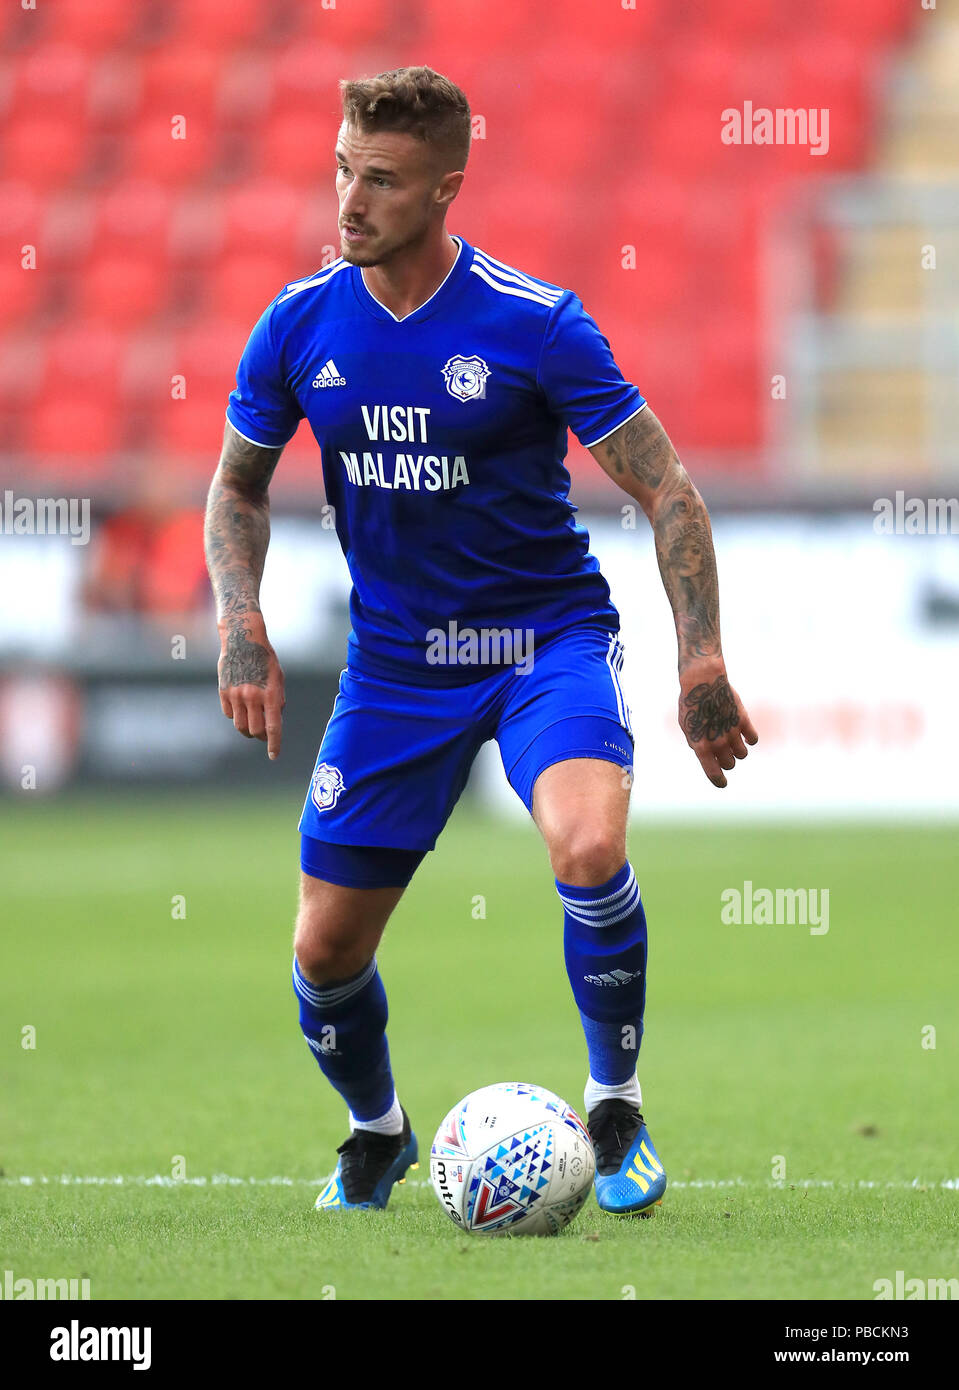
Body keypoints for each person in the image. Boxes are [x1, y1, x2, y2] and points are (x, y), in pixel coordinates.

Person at [204, 66, 757, 1218]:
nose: (350, 200)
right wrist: (238, 617)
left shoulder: (534, 324)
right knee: (321, 956)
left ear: (446, 188)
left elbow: (668, 491)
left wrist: (695, 654)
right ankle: (377, 1131)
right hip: (397, 667)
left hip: (539, 641)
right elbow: (238, 489)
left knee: (586, 849)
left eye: (383, 180)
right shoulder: (298, 325)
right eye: (343, 170)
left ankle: (613, 1112)